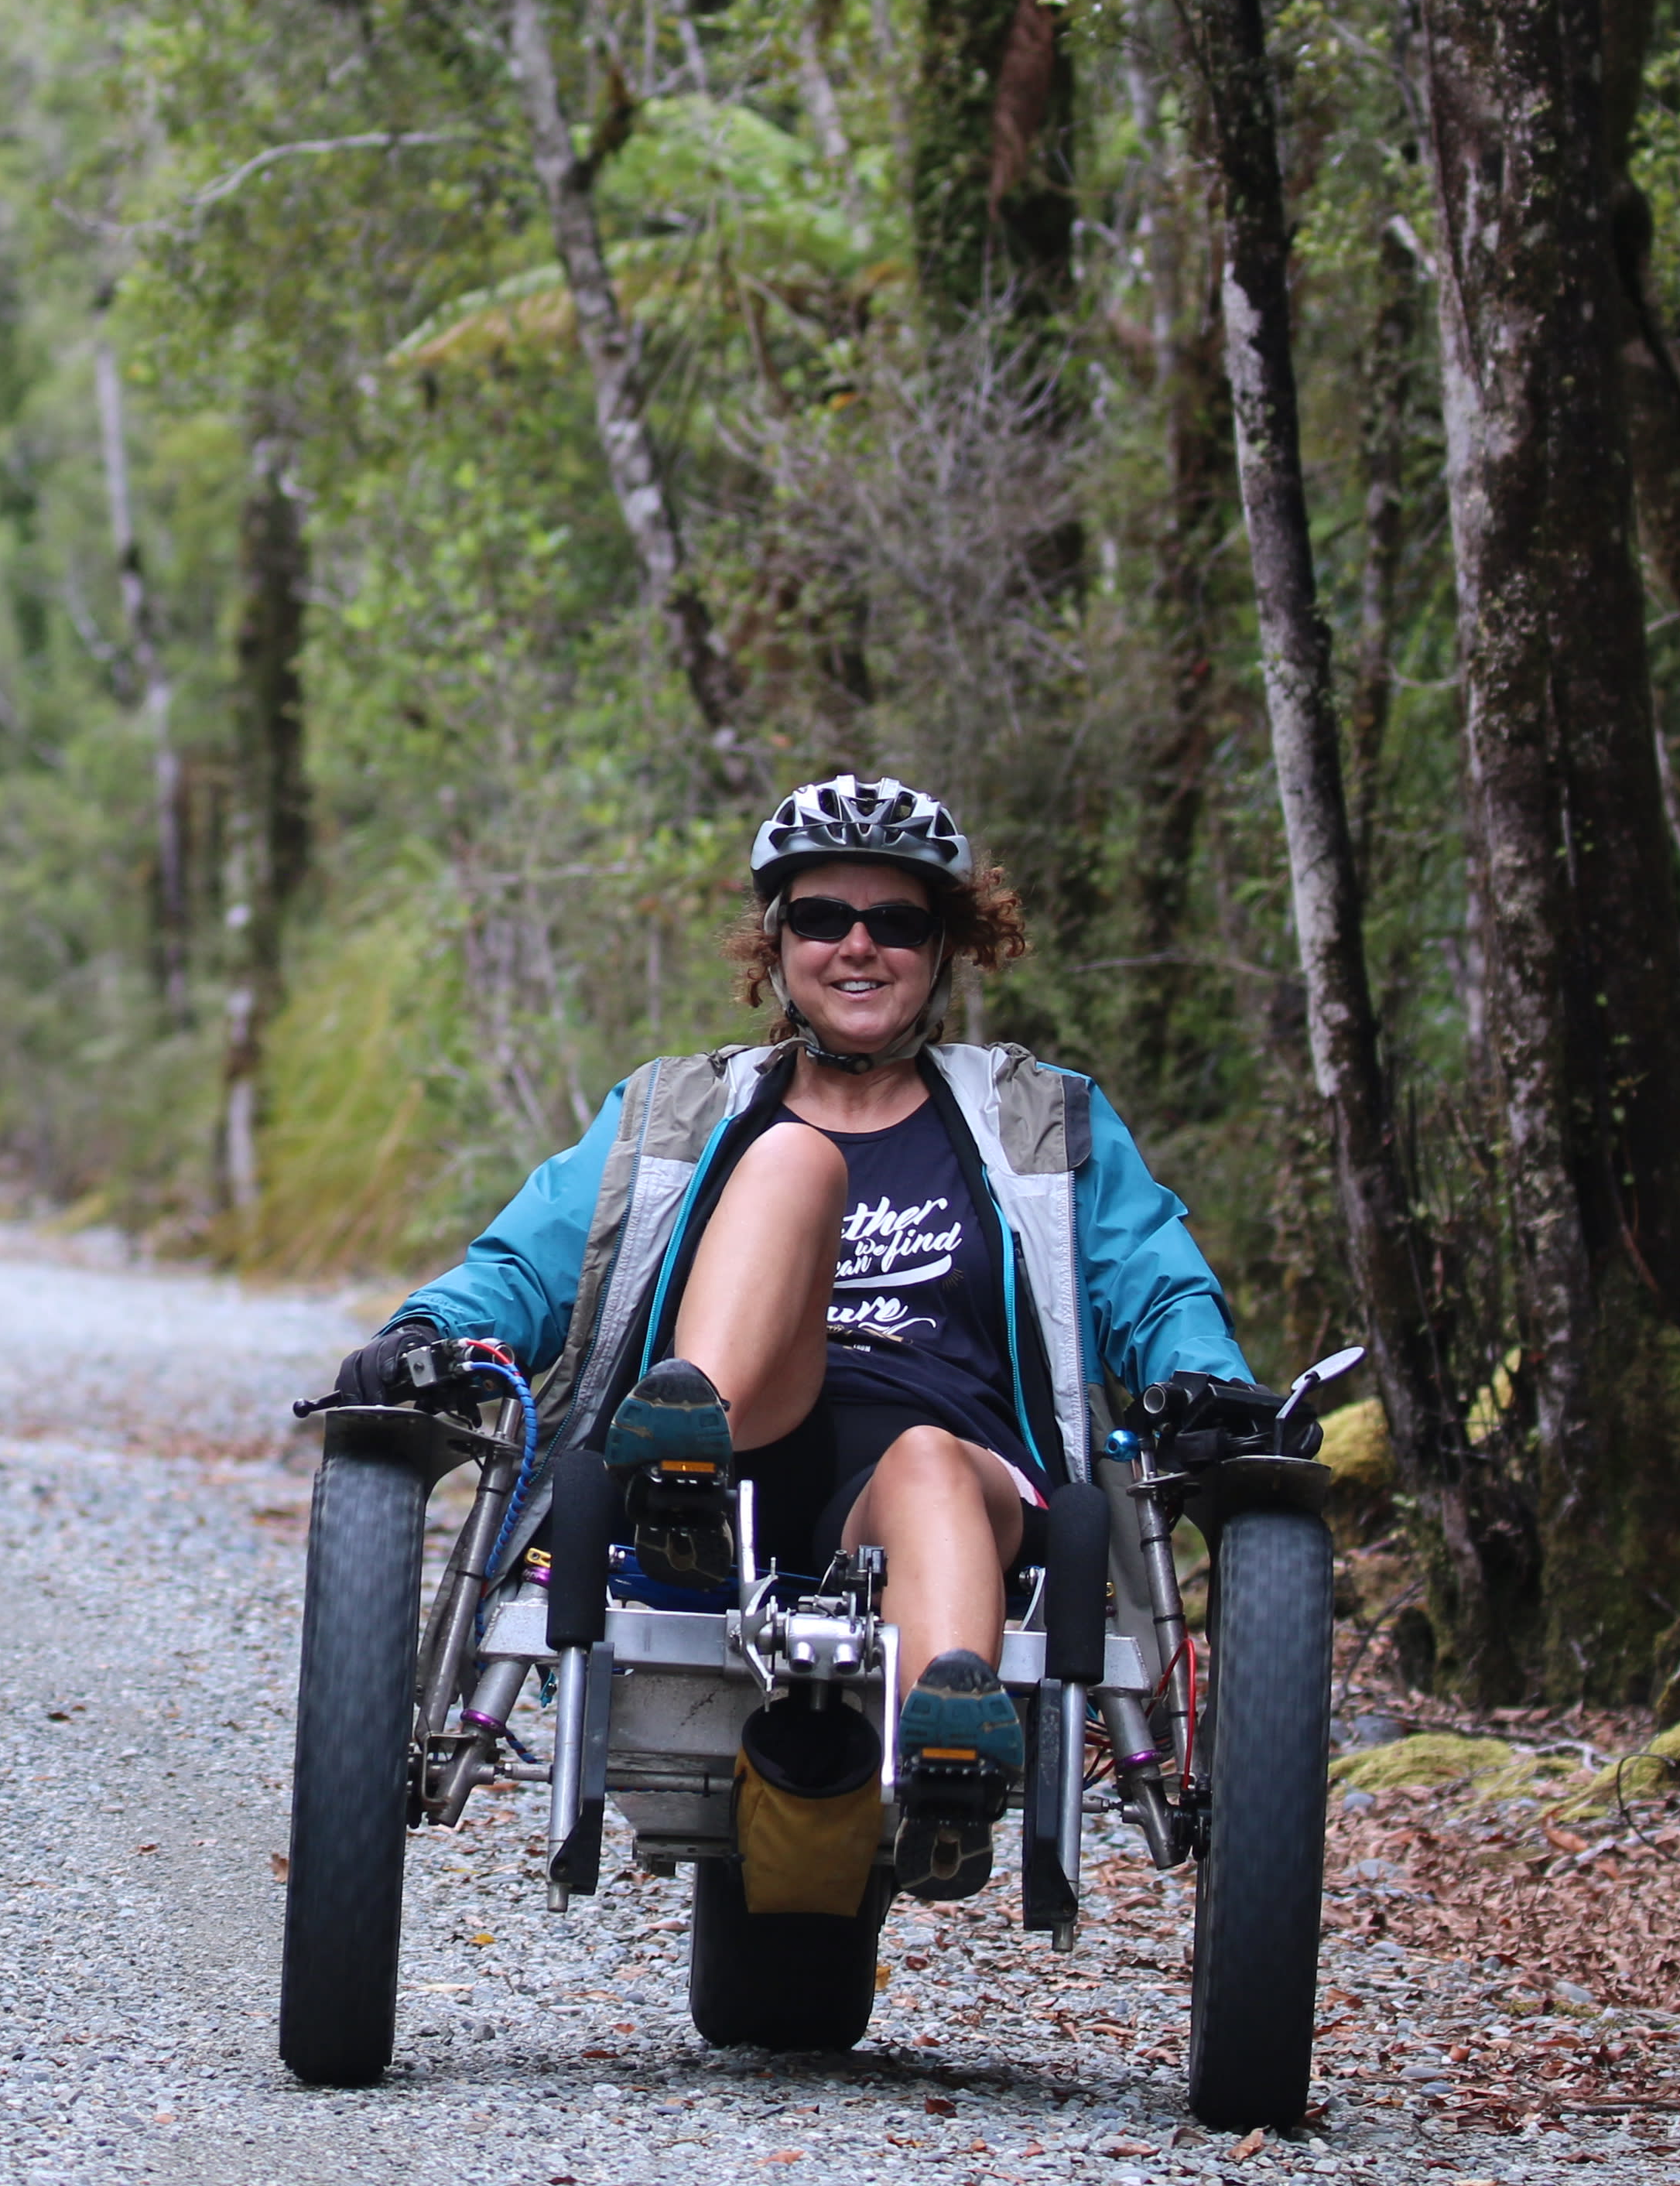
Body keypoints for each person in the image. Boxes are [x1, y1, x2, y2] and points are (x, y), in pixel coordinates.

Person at [327, 774, 1267, 1893]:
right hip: (734, 1450)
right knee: (791, 1160)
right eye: (824, 918)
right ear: (776, 946)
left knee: (925, 1464)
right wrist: (436, 1329)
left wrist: (1207, 1384)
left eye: (898, 923)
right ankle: (683, 1455)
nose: (858, 947)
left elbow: (1150, 1280)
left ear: (946, 948)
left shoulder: (1038, 1119)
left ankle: (951, 1747)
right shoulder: (686, 1110)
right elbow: (534, 1259)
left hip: (939, 1476)